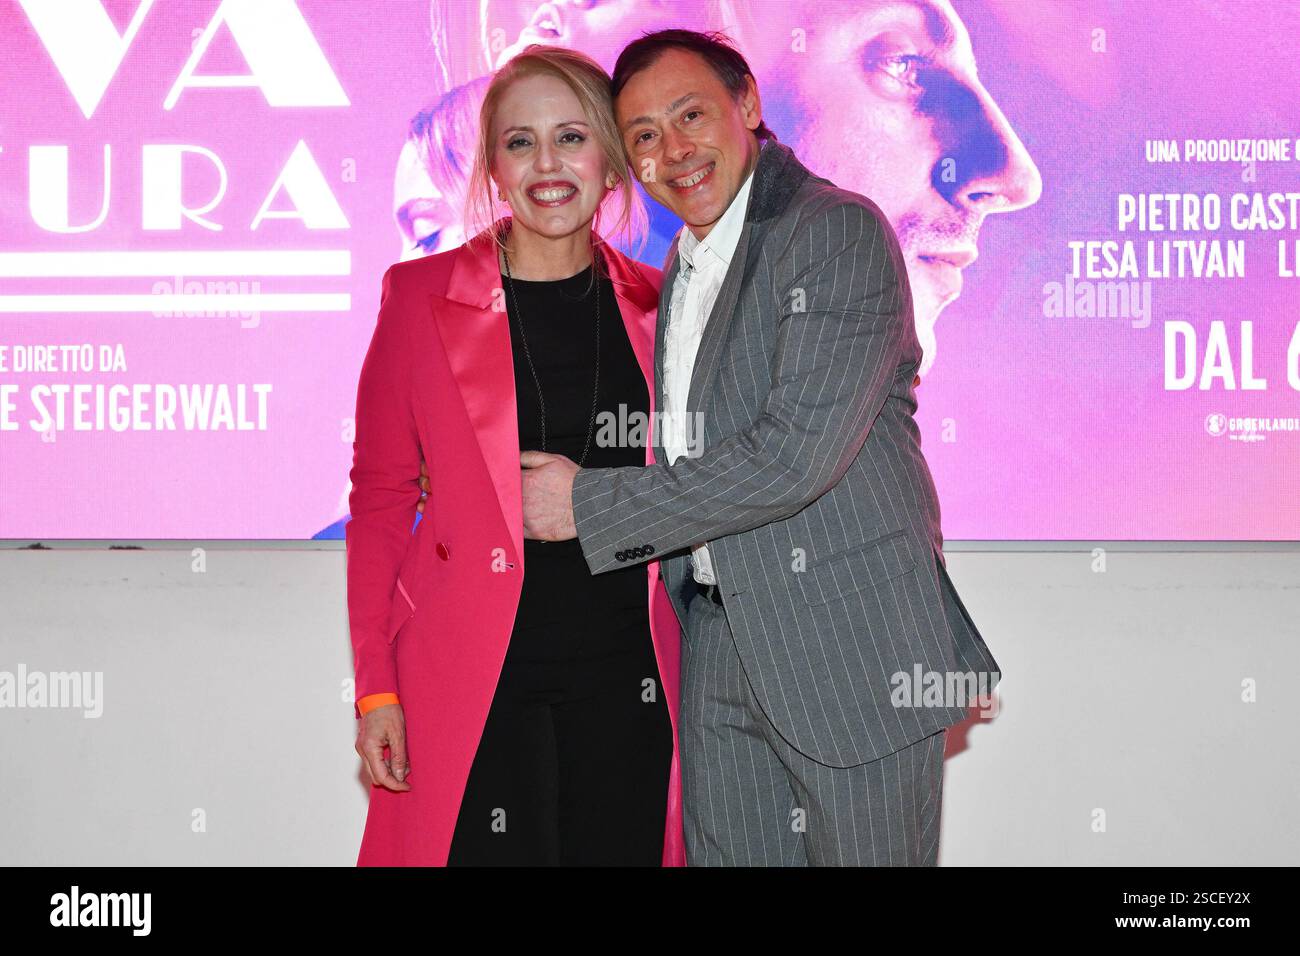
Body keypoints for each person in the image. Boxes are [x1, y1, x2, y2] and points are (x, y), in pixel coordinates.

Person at [517, 30, 1001, 866]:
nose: (672, 151)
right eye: (642, 136)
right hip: (717, 646)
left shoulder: (835, 231)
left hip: (850, 653)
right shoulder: (686, 261)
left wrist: (585, 506)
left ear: (747, 106)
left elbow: (793, 457)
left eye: (690, 115)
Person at [347, 45, 682, 866]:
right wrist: (376, 687)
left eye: (571, 137)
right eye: (519, 142)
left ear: (611, 161)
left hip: (630, 674)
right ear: (493, 167)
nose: (547, 164)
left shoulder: (666, 302)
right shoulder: (420, 298)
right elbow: (382, 502)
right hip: (475, 677)